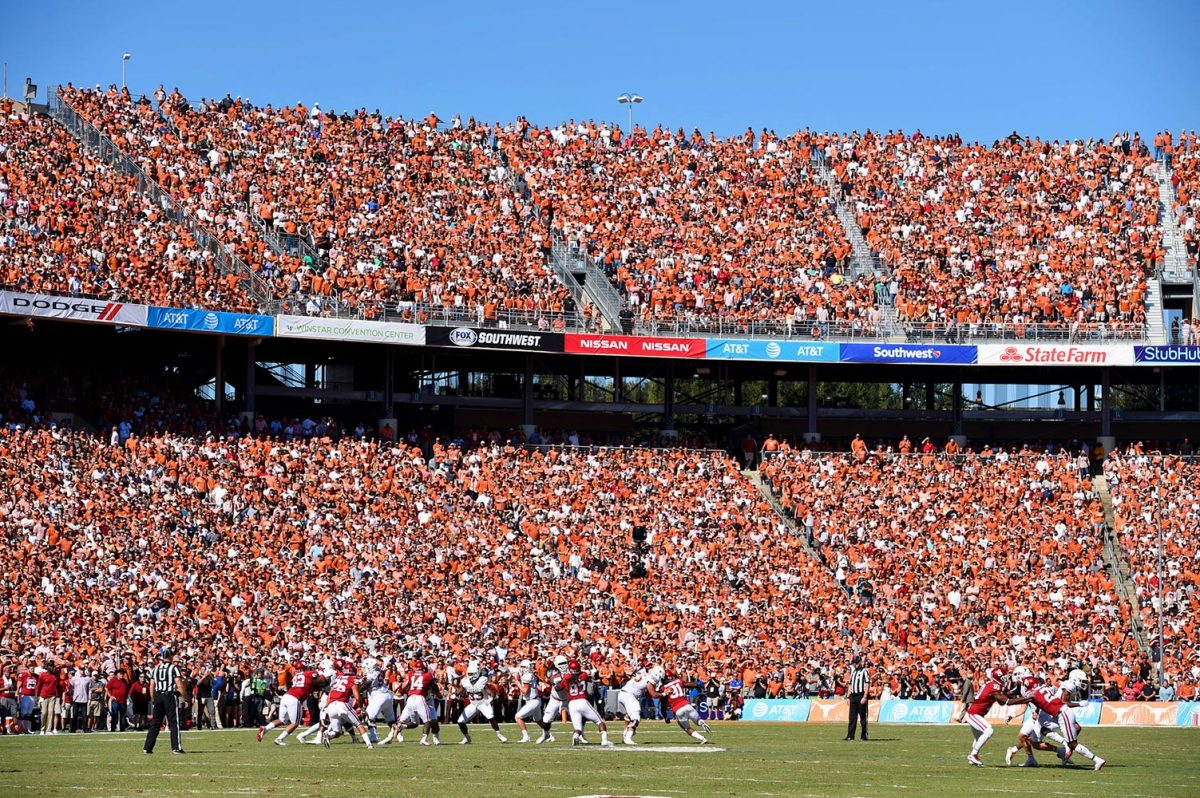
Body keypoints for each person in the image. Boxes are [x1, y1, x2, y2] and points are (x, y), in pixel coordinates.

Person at [143, 648, 185, 755]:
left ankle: (147, 747)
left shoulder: (156, 669)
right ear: (170, 657)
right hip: (169, 696)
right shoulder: (173, 668)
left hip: (158, 696)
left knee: (155, 723)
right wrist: (185, 698)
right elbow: (179, 684)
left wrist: (153, 699)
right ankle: (176, 747)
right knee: (173, 722)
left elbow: (152, 686)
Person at [455, 660, 507, 744]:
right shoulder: (465, 681)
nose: (470, 675)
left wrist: (490, 700)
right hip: (473, 704)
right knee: (460, 721)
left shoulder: (482, 680)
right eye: (469, 673)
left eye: (471, 674)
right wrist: (456, 691)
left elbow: (491, 693)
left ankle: (499, 735)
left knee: (491, 717)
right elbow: (460, 691)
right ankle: (467, 738)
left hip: (483, 703)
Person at [662, 667, 711, 744]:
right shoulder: (678, 681)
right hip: (687, 705)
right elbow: (693, 684)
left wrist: (665, 717)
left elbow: (663, 705)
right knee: (697, 720)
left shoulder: (664, 688)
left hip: (678, 709)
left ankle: (703, 738)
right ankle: (701, 722)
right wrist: (698, 688)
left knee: (686, 728)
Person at [844, 656, 869, 741]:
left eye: (855, 663)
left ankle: (864, 735)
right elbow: (850, 685)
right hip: (853, 696)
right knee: (852, 717)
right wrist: (848, 696)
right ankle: (850, 735)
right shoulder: (853, 672)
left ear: (859, 662)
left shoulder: (864, 671)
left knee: (863, 717)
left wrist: (865, 696)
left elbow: (867, 684)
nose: (854, 664)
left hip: (861, 695)